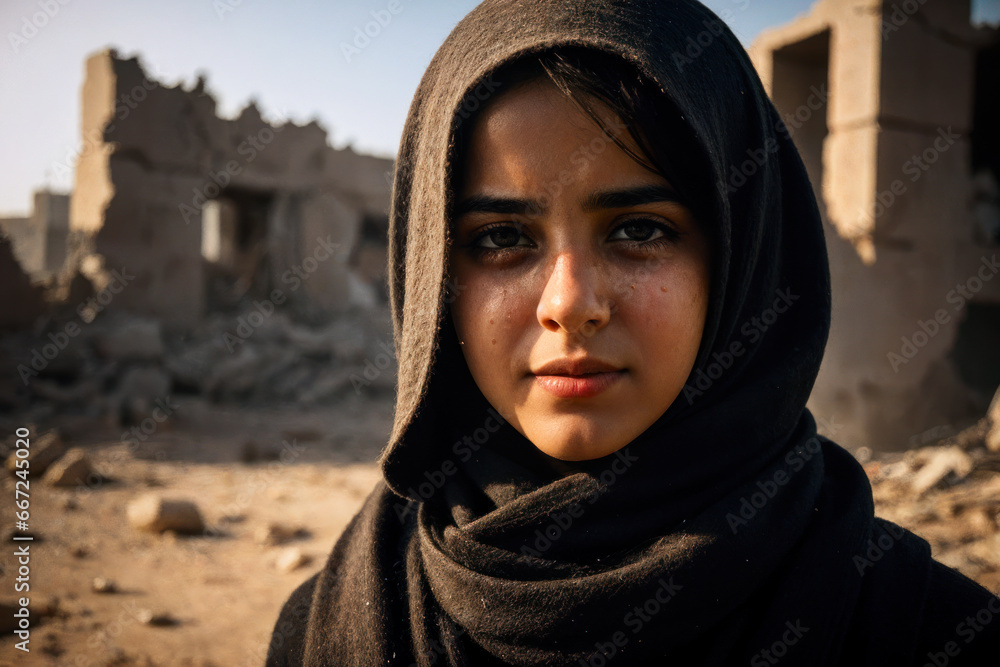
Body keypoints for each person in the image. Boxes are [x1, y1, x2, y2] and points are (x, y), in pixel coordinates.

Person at [266, 1, 1000, 664]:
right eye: (499, 239)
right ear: (431, 276)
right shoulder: (335, 629)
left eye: (639, 229)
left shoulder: (923, 631)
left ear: (742, 262)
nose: (571, 303)